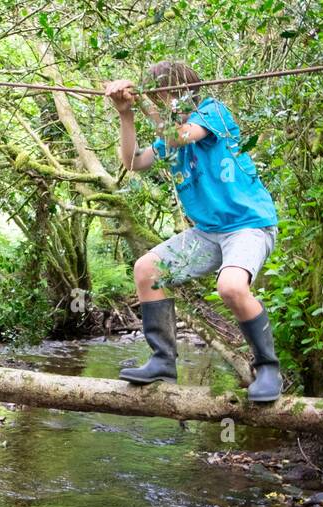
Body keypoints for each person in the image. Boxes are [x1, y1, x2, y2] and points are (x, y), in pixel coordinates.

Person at [105, 61, 282, 401]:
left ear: (186, 93)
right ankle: (162, 361)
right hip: (208, 232)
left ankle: (268, 368)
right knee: (147, 269)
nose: (162, 104)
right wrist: (125, 114)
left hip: (248, 225)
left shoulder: (212, 113)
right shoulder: (167, 138)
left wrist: (142, 102)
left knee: (231, 287)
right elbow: (133, 162)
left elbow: (177, 136)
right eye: (158, 99)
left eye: (165, 96)